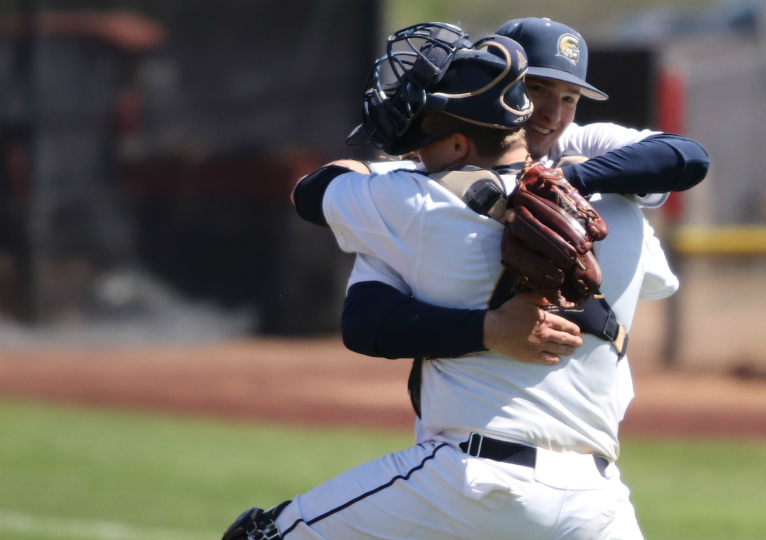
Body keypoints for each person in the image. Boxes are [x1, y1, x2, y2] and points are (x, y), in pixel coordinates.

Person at [223, 23, 680, 540]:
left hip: (470, 481)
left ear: (458, 141)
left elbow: (314, 201)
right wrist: (576, 187)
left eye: (426, 133)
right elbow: (662, 267)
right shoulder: (617, 208)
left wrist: (486, 327)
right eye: (537, 91)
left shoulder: (410, 206)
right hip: (597, 505)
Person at [339, 17, 709, 367]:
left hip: (584, 352)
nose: (552, 114)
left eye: (569, 98)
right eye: (537, 88)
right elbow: (362, 321)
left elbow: (689, 157)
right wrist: (489, 329)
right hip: (481, 389)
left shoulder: (577, 143)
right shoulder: (433, 171)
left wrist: (566, 180)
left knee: (616, 185)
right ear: (497, 83)